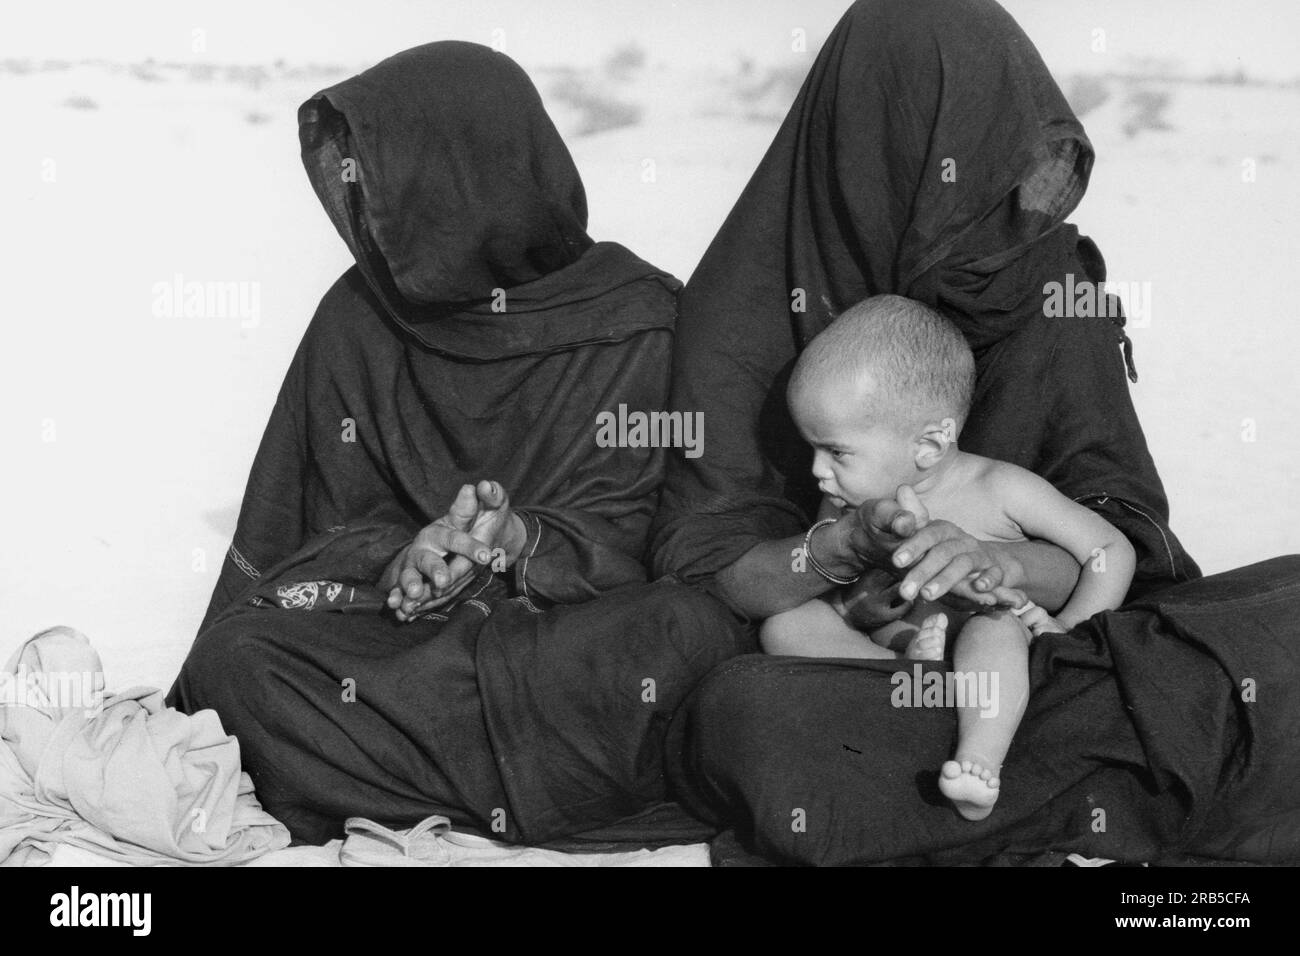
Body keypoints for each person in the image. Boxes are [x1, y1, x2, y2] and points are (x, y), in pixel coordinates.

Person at [650, 0, 1300, 866]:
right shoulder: (744, 310)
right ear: (877, 148)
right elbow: (711, 567)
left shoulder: (1040, 281)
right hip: (849, 669)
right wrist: (844, 550)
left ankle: (1002, 769)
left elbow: (1118, 533)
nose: (997, 222)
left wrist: (994, 560)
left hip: (1049, 646)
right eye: (964, 183)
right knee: (745, 713)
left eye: (1008, 183)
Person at [167, 41, 747, 846]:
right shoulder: (361, 319)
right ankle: (532, 795)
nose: (367, 220)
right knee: (238, 663)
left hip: (567, 653)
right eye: (357, 193)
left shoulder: (641, 323)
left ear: (477, 180)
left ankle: (401, 786)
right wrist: (406, 557)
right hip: (405, 653)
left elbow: (667, 537)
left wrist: (520, 540)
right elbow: (312, 537)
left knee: (688, 632)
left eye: (391, 195)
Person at [758, 295, 1137, 820]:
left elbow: (1109, 547)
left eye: (837, 452)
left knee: (995, 629)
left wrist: (1070, 628)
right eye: (812, 451)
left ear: (931, 444)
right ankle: (909, 680)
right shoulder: (849, 500)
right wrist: (854, 608)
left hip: (984, 644)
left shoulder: (1000, 486)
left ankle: (980, 759)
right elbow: (836, 588)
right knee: (785, 624)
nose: (818, 472)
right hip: (900, 648)